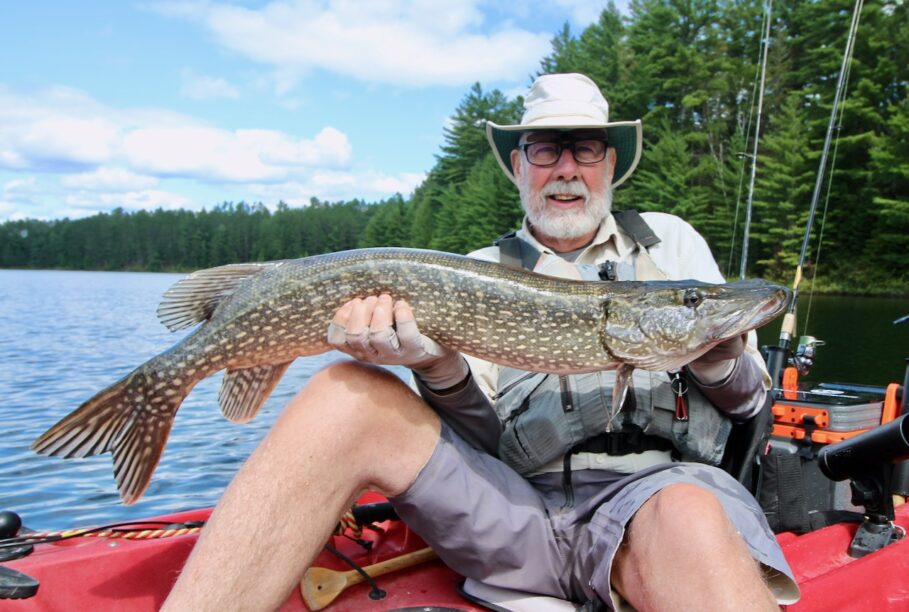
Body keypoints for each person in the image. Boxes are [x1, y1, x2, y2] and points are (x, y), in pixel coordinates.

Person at [163, 73, 799, 611]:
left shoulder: (671, 245)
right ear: (519, 167)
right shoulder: (476, 272)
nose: (566, 169)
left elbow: (749, 407)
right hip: (513, 513)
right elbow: (481, 441)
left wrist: (720, 358)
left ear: (610, 164)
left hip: (659, 502)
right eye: (545, 151)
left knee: (686, 509)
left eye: (584, 149)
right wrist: (437, 367)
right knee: (342, 393)